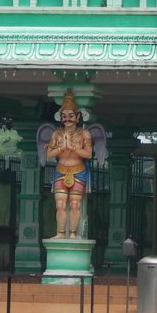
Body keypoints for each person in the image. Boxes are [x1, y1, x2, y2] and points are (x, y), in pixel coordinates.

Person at [46, 90, 93, 239]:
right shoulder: (57, 134)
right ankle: (60, 233)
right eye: (64, 116)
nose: (67, 119)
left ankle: (73, 233)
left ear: (78, 117)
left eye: (71, 116)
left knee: (74, 204)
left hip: (79, 171)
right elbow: (48, 154)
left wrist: (73, 148)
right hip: (61, 171)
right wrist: (61, 147)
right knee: (60, 204)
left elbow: (89, 154)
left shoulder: (84, 134)